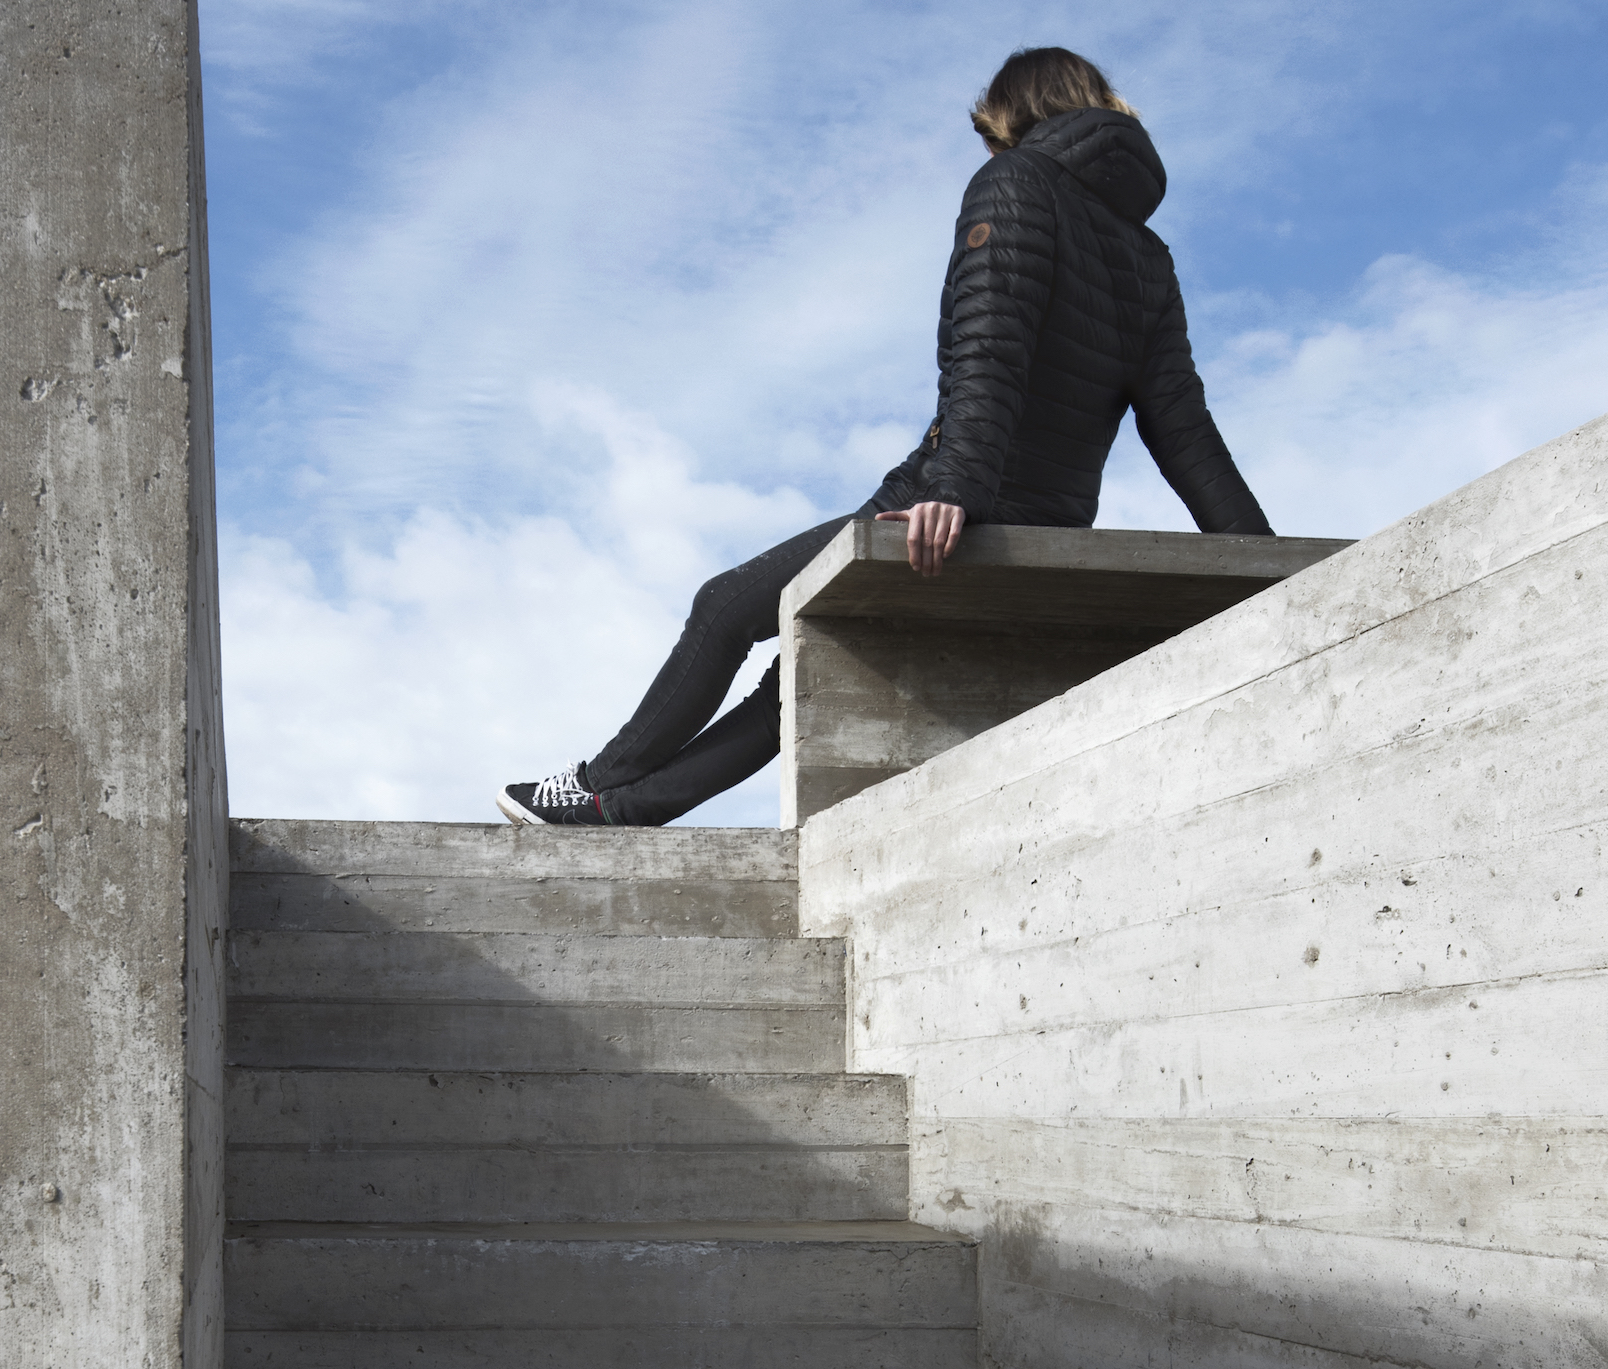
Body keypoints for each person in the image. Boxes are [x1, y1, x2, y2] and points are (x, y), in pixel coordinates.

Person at [497, 46, 1271, 828]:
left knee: (725, 607)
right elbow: (1184, 428)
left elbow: (989, 346)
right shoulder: (1148, 256)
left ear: (1016, 117)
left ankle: (597, 781)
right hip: (1047, 516)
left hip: (955, 498)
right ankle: (622, 808)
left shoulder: (1015, 184)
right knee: (796, 674)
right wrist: (1265, 560)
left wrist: (952, 492)